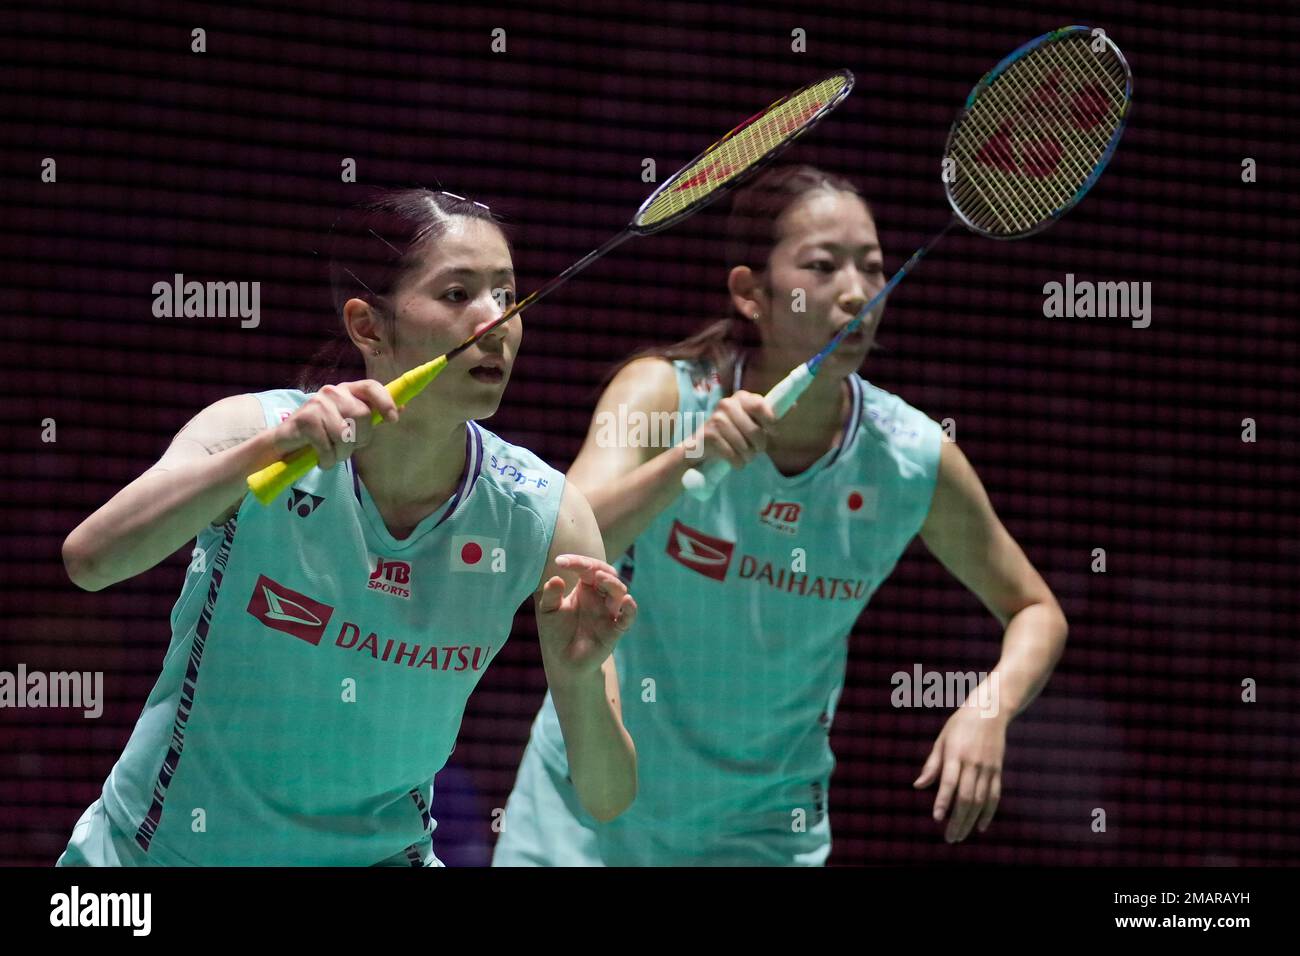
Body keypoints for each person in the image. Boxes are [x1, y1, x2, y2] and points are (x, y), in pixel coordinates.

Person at [493, 165, 1069, 866]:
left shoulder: (910, 457)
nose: (857, 292)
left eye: (873, 269)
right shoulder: (663, 397)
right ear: (751, 293)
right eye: (822, 267)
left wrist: (990, 708)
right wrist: (687, 461)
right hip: (584, 814)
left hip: (763, 830)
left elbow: (1035, 607)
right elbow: (562, 546)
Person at [57, 188, 637, 866]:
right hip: (162, 856)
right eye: (458, 295)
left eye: (506, 297)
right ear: (368, 327)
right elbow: (91, 561)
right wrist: (262, 456)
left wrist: (576, 681)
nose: (495, 323)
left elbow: (607, 796)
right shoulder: (255, 432)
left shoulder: (543, 513)